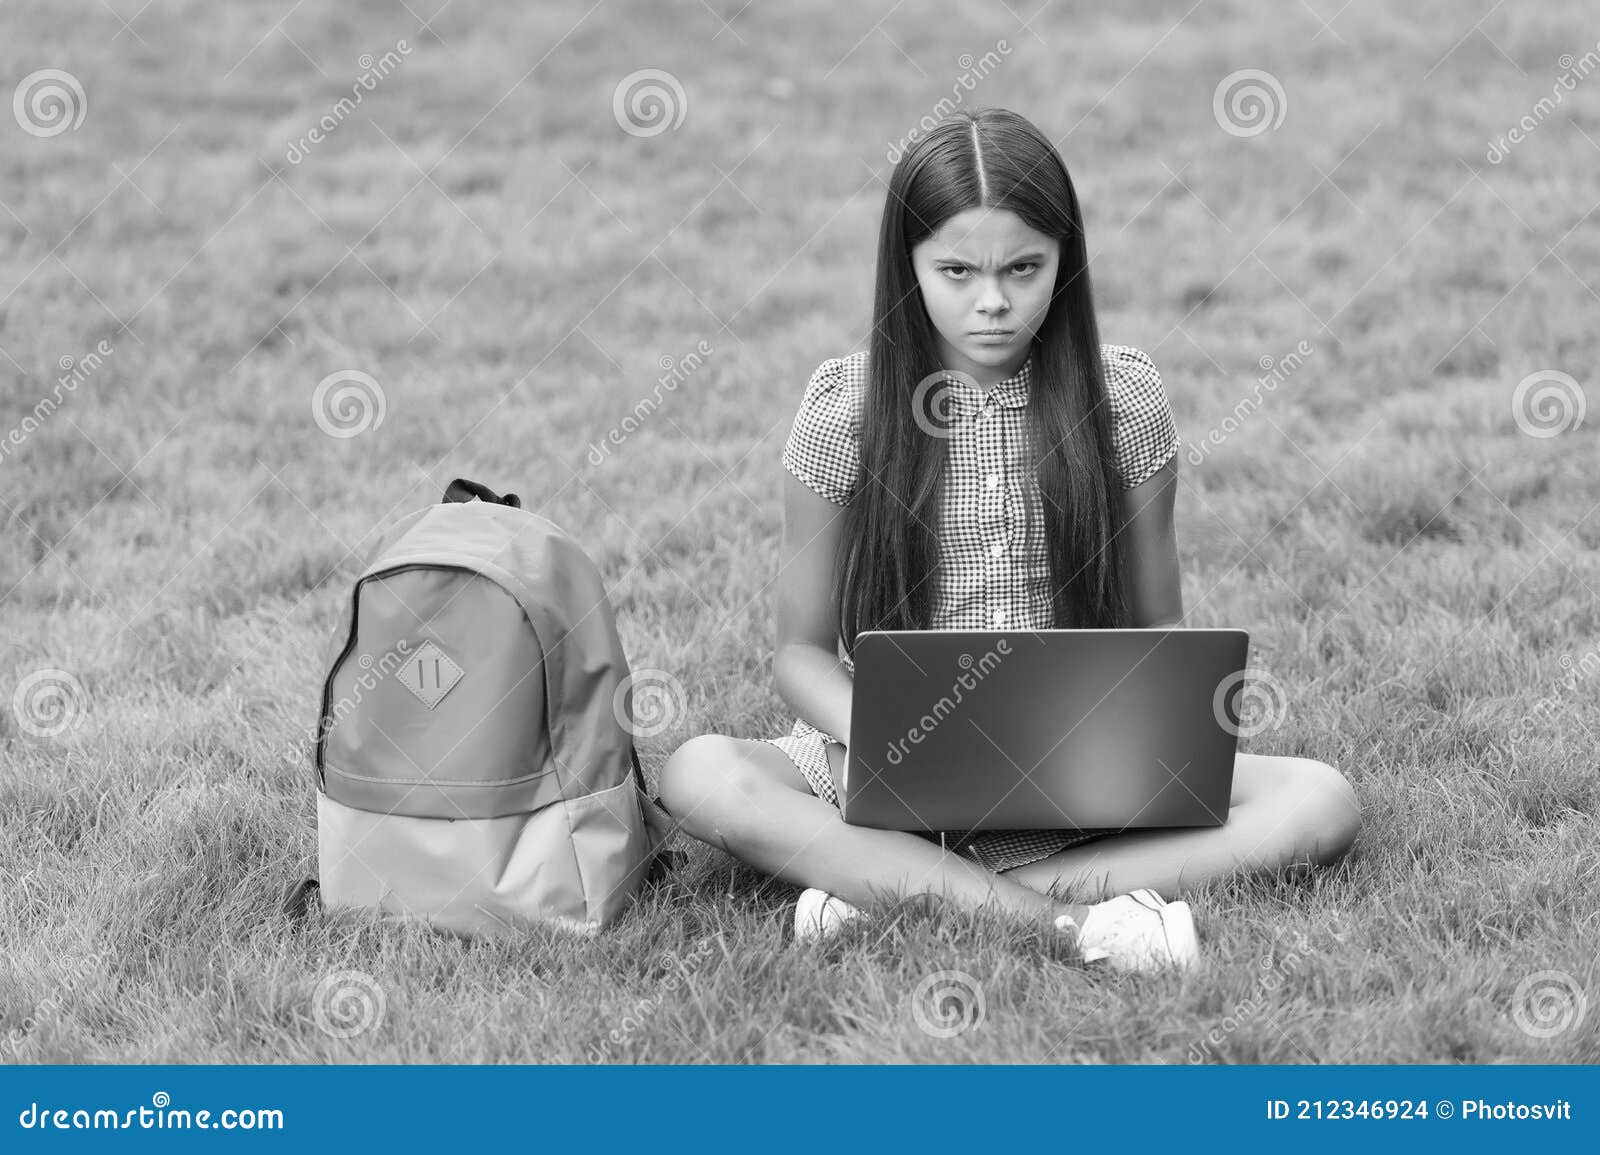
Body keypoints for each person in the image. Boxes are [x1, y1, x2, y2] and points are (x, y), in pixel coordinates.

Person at [657, 107, 1360, 972]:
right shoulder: (845, 409)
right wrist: (888, 746)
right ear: (907, 266)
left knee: (1320, 800)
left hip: (1077, 764)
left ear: (1065, 259)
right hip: (887, 757)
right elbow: (799, 653)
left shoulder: (1125, 401)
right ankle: (1070, 920)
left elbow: (1158, 624)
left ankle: (890, 889)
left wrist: (1126, 744)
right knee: (701, 773)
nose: (992, 301)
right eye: (956, 270)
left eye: (1023, 268)